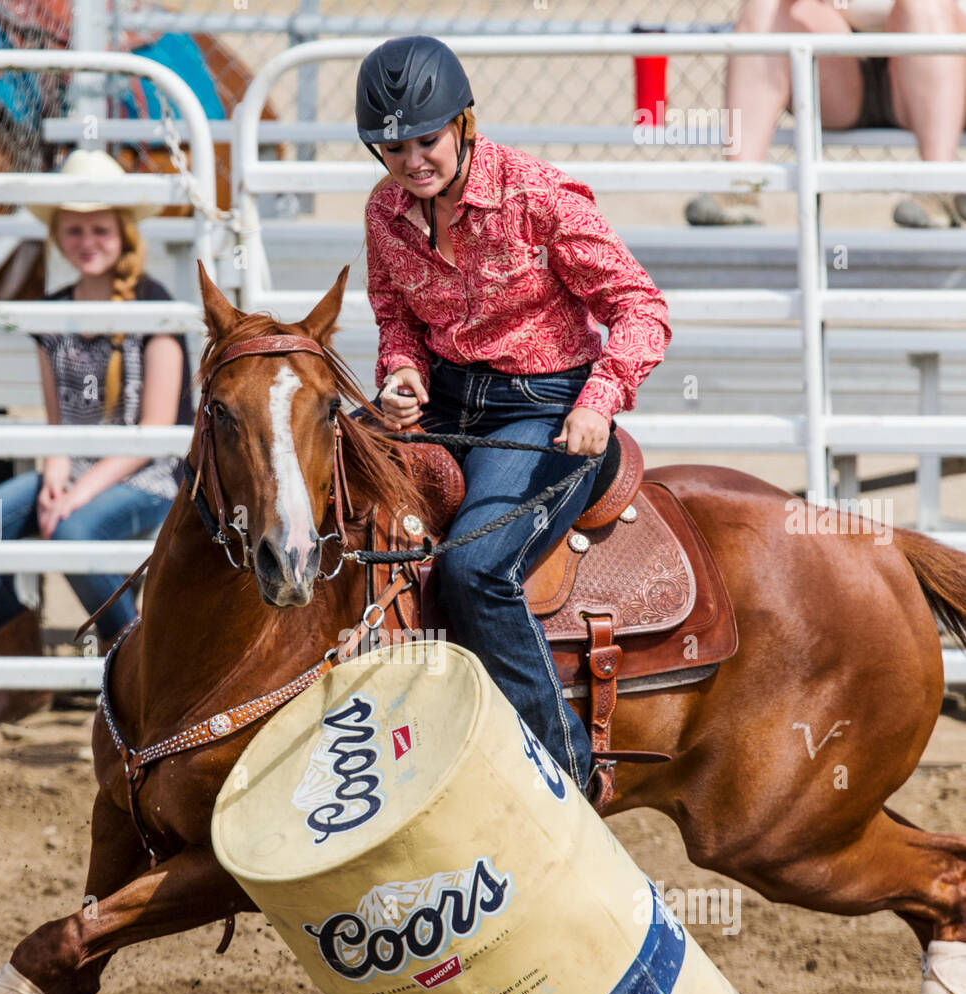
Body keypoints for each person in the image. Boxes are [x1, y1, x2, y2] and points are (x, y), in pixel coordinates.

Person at [359, 36, 671, 796]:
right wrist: (399, 370)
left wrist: (599, 400)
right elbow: (393, 315)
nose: (411, 162)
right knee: (341, 519)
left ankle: (565, 765)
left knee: (473, 570)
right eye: (392, 148)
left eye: (424, 140)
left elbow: (640, 309)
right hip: (441, 400)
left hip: (542, 409)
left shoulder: (539, 198)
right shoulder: (384, 212)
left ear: (463, 122)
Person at [0, 148, 190, 729]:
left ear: (122, 233)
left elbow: (156, 432)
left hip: (147, 474)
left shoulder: (153, 308)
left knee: (77, 532)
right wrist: (56, 470)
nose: (88, 240)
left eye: (100, 228)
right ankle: (24, 673)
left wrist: (79, 494)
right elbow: (57, 417)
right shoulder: (52, 312)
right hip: (77, 469)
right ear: (59, 237)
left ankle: (134, 670)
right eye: (75, 229)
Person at [686, 0, 966, 228]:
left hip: (935, 65)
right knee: (766, 6)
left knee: (925, 7)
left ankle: (938, 189)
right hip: (843, 67)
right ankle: (739, 186)